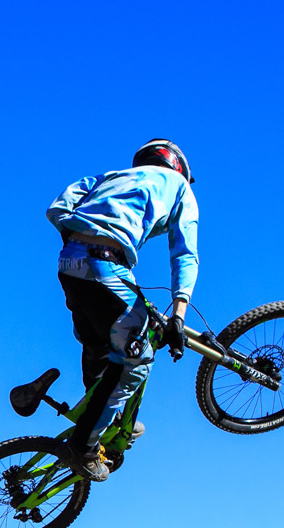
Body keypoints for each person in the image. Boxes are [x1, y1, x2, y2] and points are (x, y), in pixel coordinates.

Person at [45, 139, 199, 480]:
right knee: (137, 359)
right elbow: (185, 254)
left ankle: (106, 418)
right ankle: (83, 446)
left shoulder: (110, 177)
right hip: (106, 267)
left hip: (69, 264)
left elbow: (57, 208)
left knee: (100, 342)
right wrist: (178, 314)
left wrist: (80, 234)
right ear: (178, 167)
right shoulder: (179, 186)